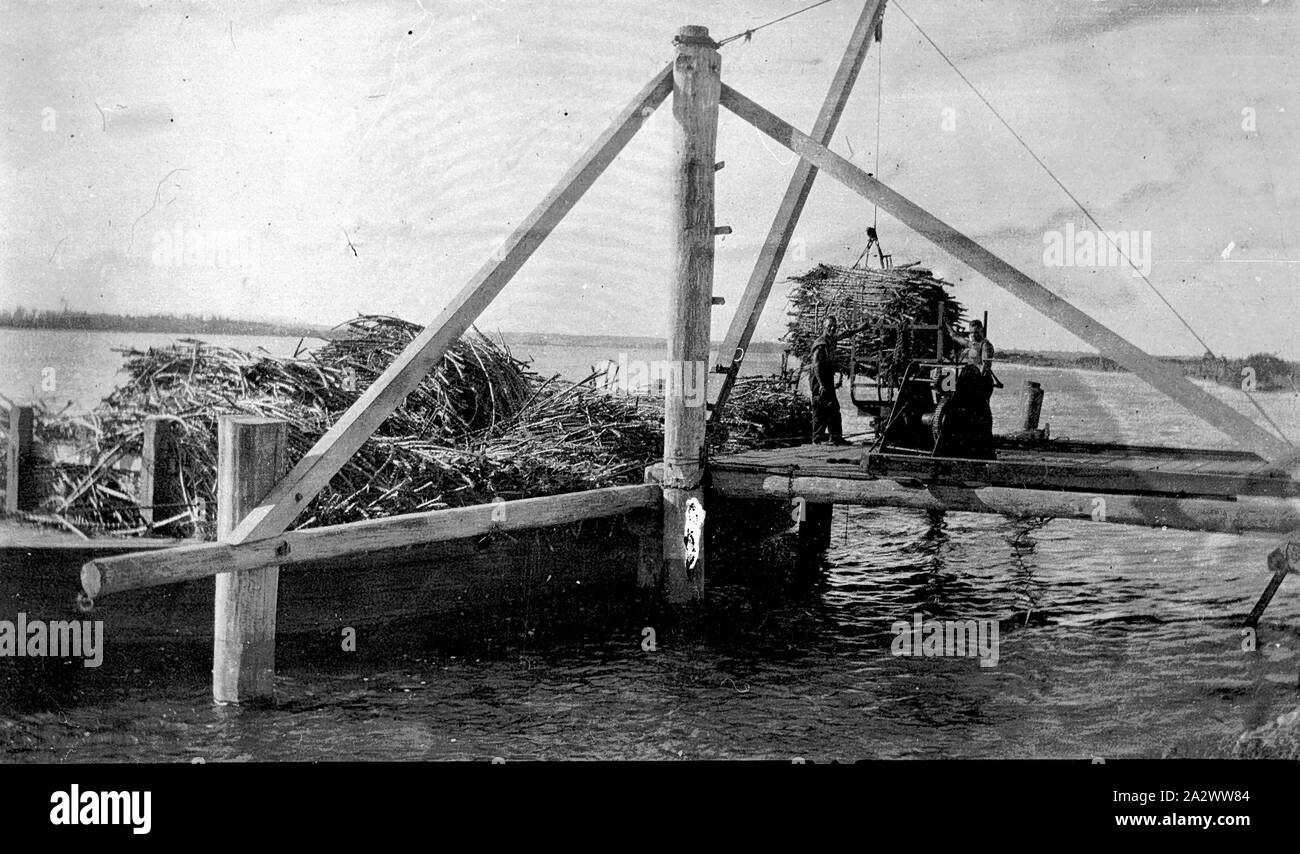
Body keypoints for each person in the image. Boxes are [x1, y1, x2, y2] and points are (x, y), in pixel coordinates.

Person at [808, 315, 872, 445]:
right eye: (829, 326)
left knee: (833, 407)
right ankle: (817, 439)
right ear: (823, 327)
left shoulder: (832, 339)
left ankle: (836, 437)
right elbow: (816, 365)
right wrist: (821, 384)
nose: (832, 328)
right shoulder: (821, 344)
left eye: (834, 326)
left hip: (826, 376)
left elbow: (846, 334)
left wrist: (860, 328)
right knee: (820, 407)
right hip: (818, 378)